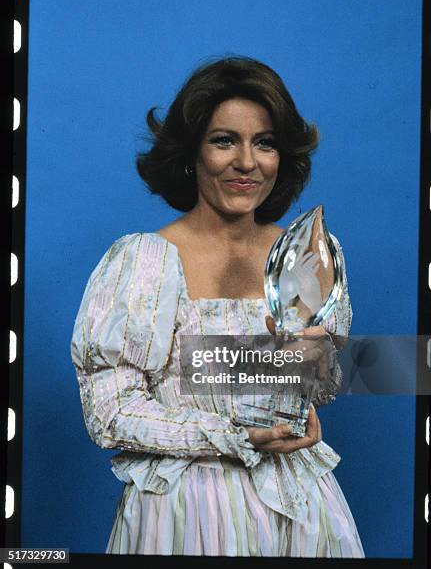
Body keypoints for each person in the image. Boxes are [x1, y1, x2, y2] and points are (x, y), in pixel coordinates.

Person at [70, 56, 365, 557]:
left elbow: (324, 387)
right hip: (185, 510)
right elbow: (110, 413)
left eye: (265, 142)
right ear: (191, 153)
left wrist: (310, 358)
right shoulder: (141, 260)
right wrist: (237, 435)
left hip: (301, 507)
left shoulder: (305, 254)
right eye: (224, 140)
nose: (247, 162)